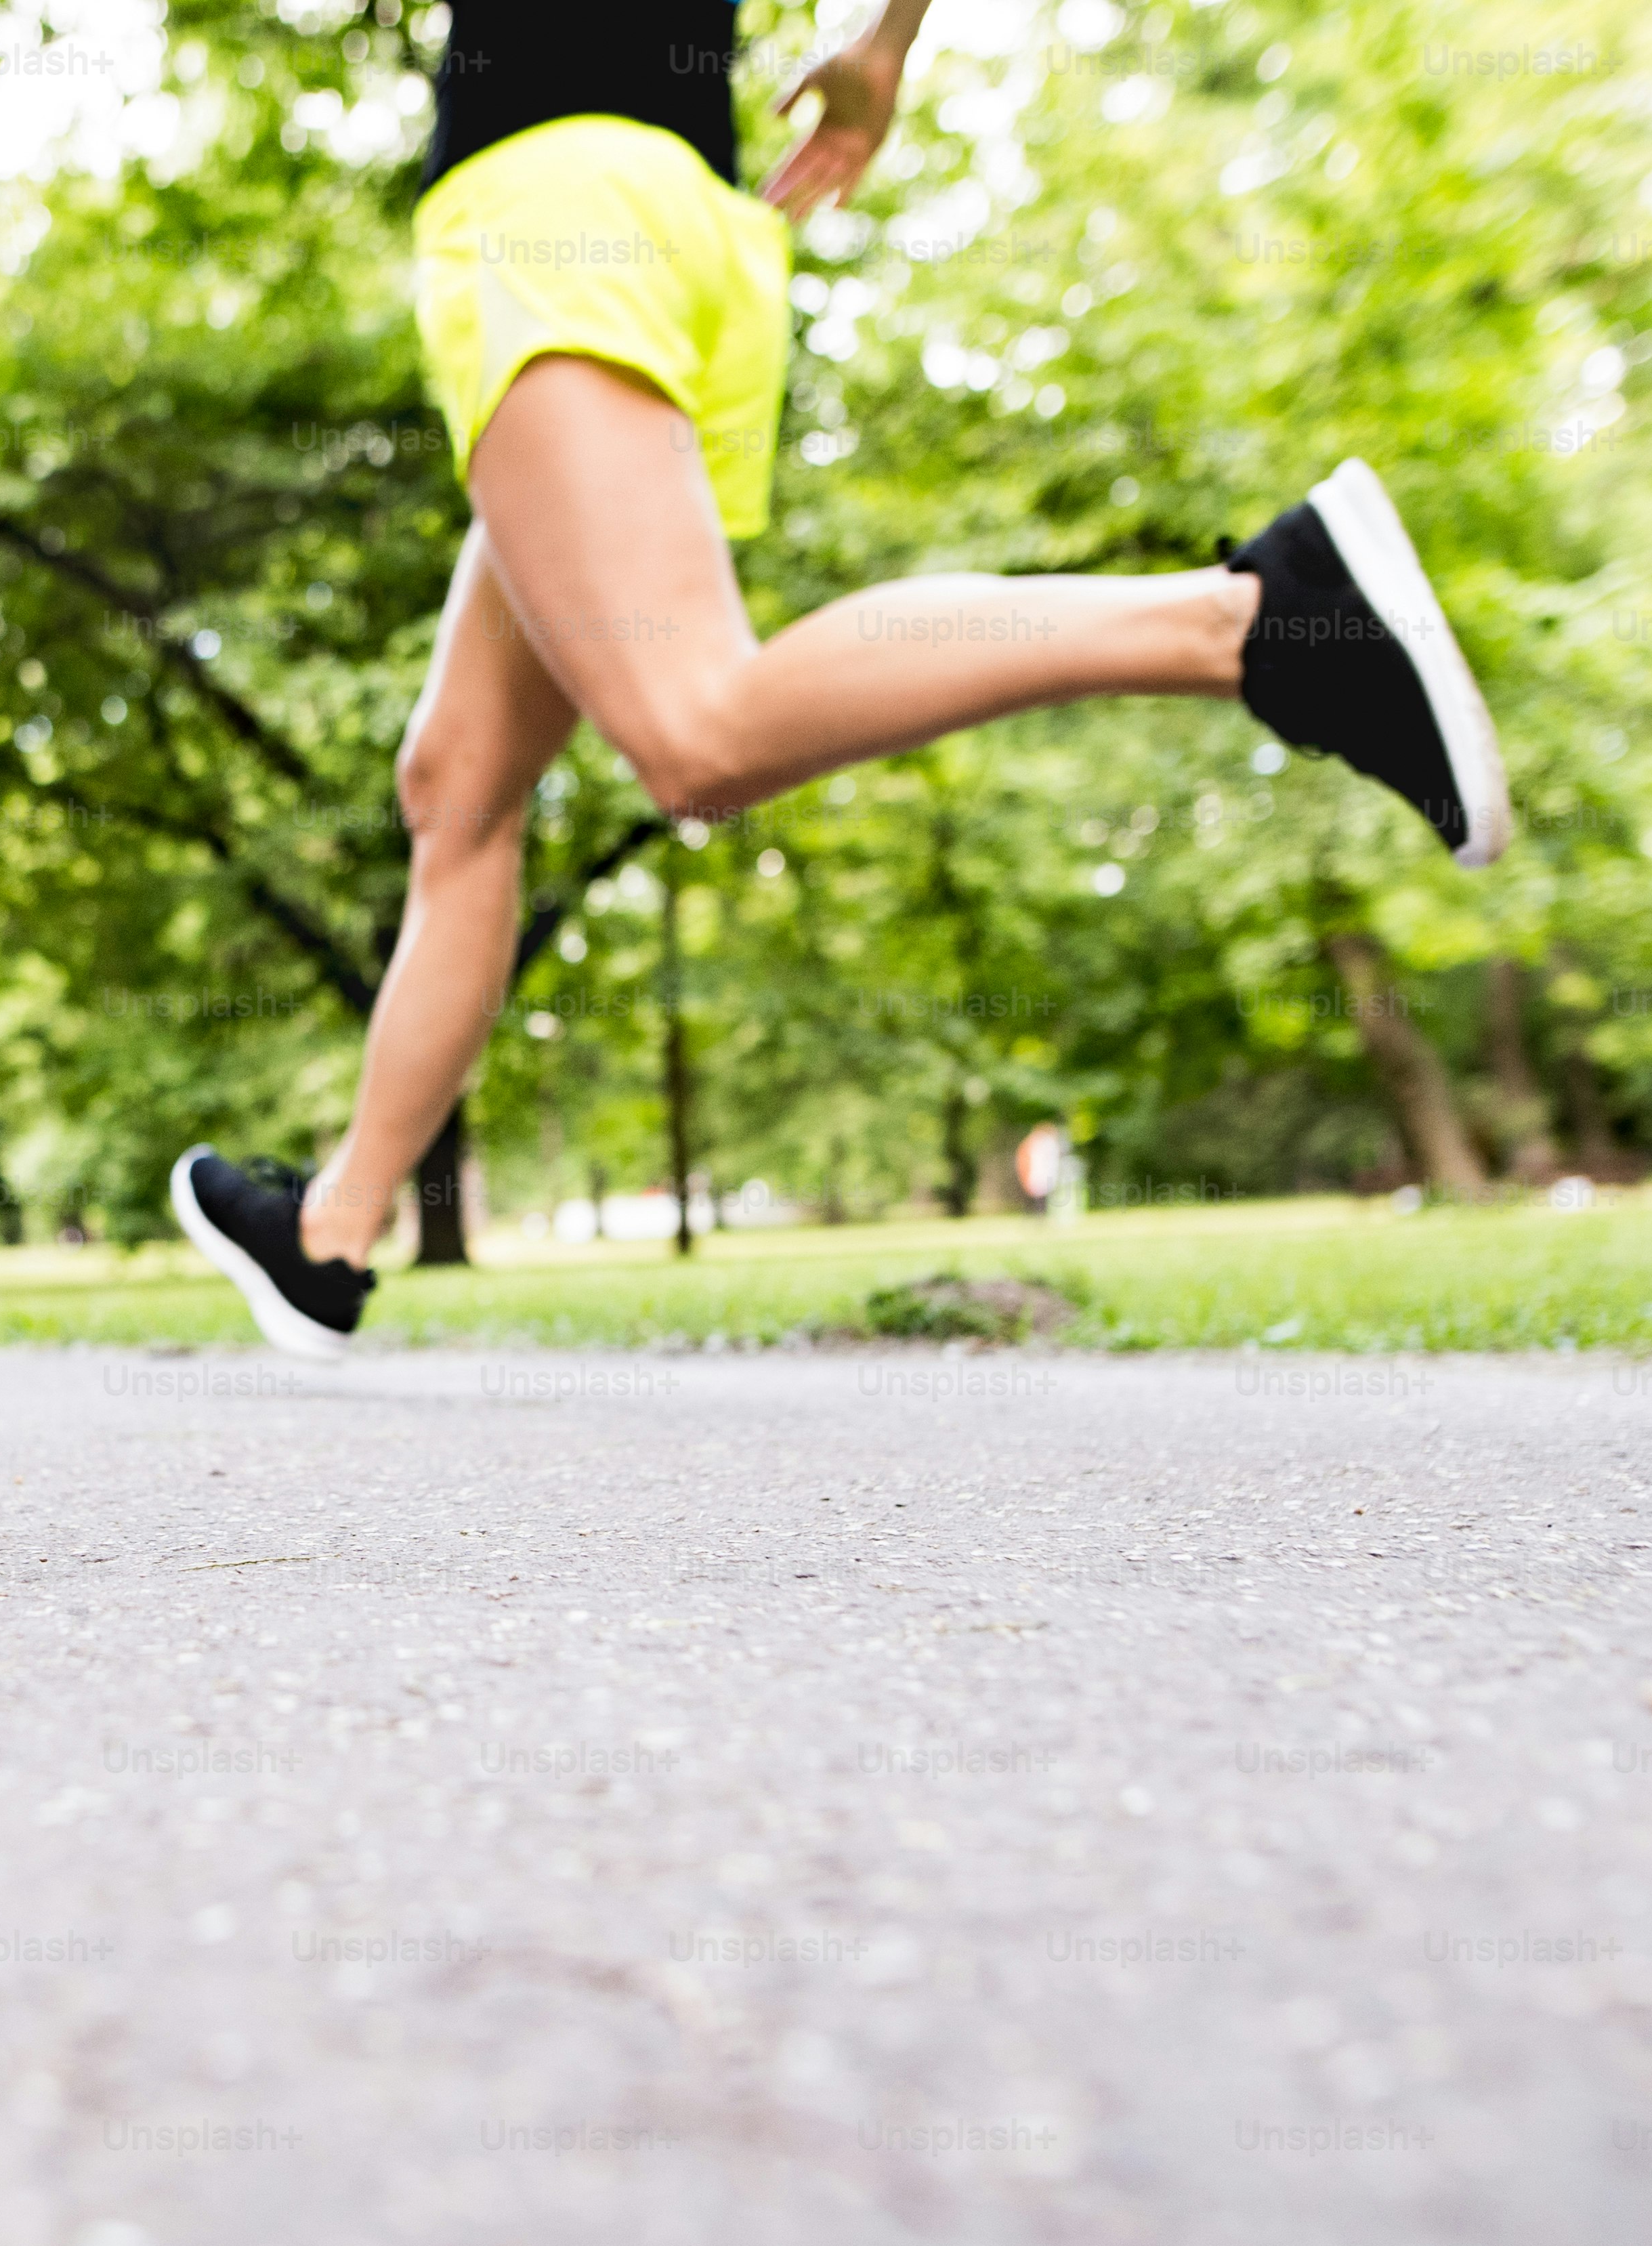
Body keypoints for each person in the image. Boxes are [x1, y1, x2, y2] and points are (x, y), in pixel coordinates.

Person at [173, 3, 1509, 1358]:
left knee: (694, 731)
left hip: (555, 207)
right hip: (678, 217)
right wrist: (885, 47)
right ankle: (332, 1231)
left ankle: (1259, 618)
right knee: (457, 781)